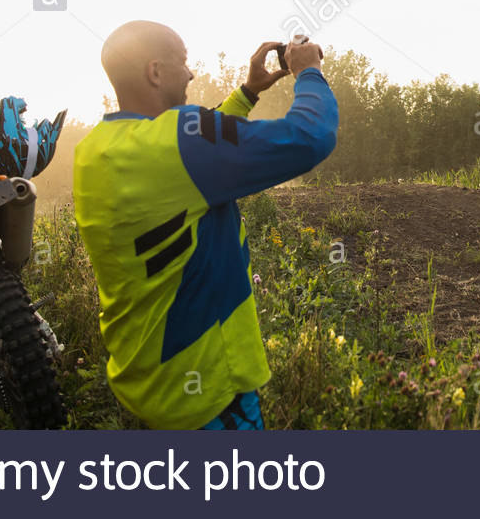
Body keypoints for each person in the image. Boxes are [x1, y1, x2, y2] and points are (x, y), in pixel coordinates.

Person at [72, 21, 337, 430]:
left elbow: (187, 155)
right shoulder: (178, 145)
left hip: (142, 378)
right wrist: (309, 72)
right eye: (184, 62)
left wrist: (247, 94)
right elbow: (308, 138)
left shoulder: (95, 149)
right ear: (155, 71)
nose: (192, 73)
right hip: (205, 393)